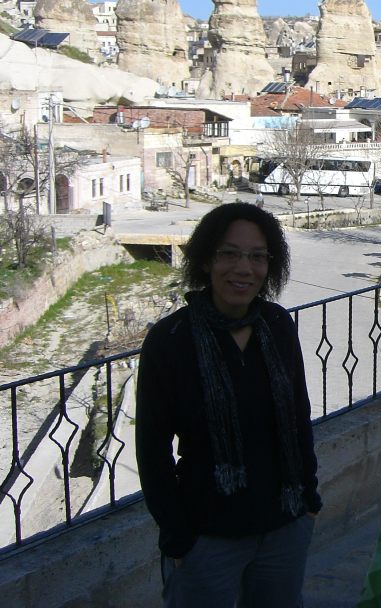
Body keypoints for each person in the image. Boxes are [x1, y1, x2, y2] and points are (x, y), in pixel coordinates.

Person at [136, 202, 321, 608]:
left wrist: (308, 501)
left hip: (283, 527)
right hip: (207, 536)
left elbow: (297, 418)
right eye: (230, 253)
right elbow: (152, 449)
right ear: (205, 261)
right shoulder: (171, 340)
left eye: (257, 257)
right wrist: (178, 537)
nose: (244, 268)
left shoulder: (277, 325)